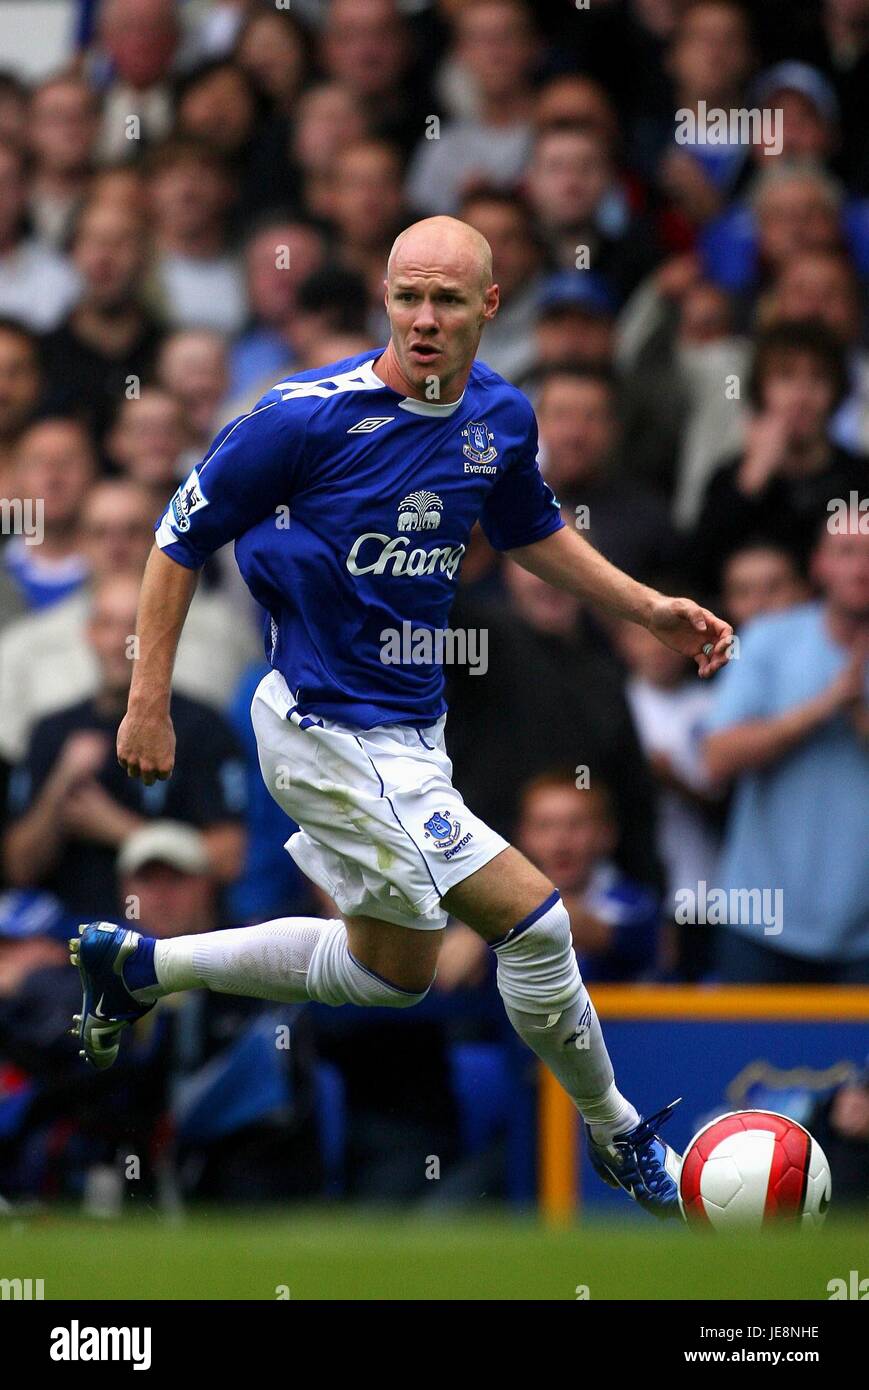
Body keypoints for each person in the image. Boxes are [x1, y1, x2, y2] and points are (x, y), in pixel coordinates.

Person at [72, 216, 732, 1219]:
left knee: (393, 973)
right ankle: (618, 1132)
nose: (424, 319)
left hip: (407, 732)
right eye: (407, 296)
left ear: (487, 309)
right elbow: (175, 538)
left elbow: (530, 530)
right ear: (385, 298)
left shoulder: (499, 417)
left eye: (447, 300)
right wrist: (147, 698)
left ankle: (142, 967)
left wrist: (644, 607)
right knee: (534, 917)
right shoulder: (300, 418)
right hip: (320, 724)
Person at [704, 525, 869, 984]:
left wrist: (859, 717)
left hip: (862, 936)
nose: (861, 566)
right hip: (761, 926)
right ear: (819, 565)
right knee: (744, 1058)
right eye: (848, 551)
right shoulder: (767, 640)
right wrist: (822, 707)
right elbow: (716, 757)